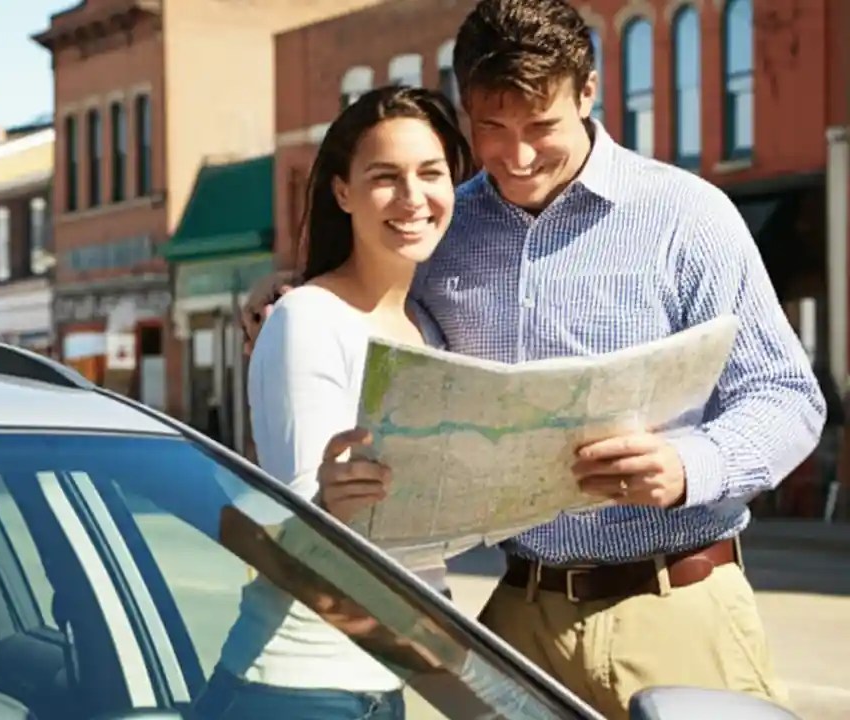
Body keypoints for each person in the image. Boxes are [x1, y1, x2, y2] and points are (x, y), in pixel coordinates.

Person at [238, 1, 826, 717]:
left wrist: (689, 466)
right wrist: (292, 293)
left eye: (540, 127)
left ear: (588, 93)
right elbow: (368, 299)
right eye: (491, 128)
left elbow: (787, 394)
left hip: (677, 599)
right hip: (518, 609)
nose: (515, 158)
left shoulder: (687, 217)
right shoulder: (447, 225)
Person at [191, 85, 473, 720]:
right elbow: (296, 529)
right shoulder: (306, 320)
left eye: (431, 173)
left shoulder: (429, 327)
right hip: (294, 687)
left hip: (382, 685)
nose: (412, 198)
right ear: (342, 193)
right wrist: (327, 501)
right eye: (384, 177)